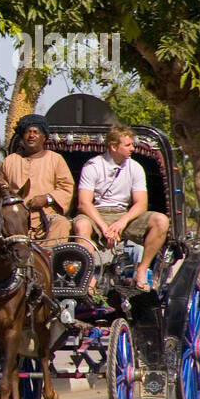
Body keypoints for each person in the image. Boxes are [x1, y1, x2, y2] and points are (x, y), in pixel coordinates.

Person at [72, 124, 170, 290]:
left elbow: (141, 204)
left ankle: (141, 270)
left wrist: (121, 222)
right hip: (96, 214)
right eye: (128, 145)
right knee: (81, 225)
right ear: (113, 146)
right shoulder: (93, 166)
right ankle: (88, 278)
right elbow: (84, 203)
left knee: (161, 220)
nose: (133, 148)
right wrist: (104, 227)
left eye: (132, 144)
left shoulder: (135, 168)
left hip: (123, 214)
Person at [0, 113, 74, 244]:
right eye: (28, 132)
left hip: (46, 217)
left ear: (44, 137)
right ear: (23, 136)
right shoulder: (9, 161)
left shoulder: (55, 159)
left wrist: (46, 198)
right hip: (16, 218)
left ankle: (48, 260)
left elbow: (66, 188)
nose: (31, 135)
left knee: (61, 223)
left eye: (35, 132)